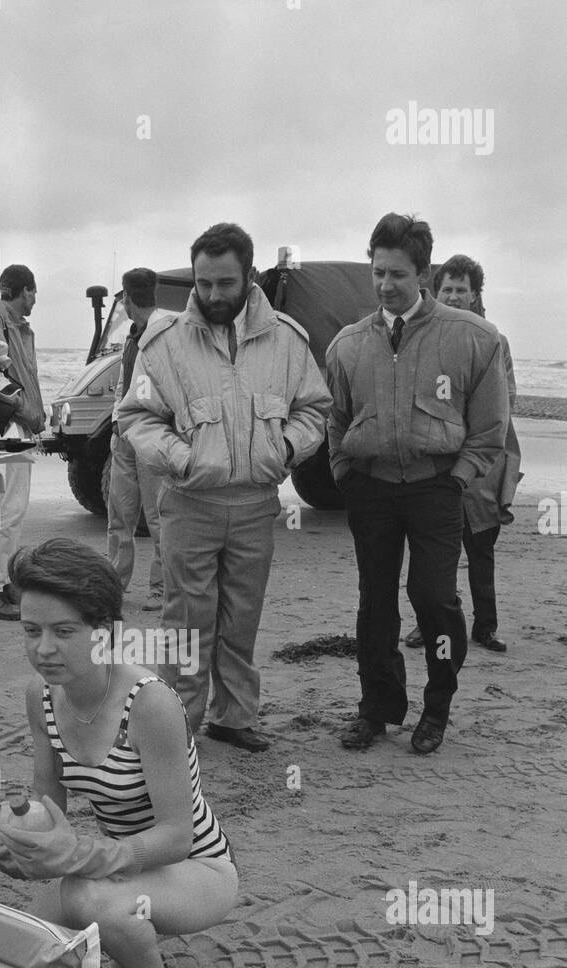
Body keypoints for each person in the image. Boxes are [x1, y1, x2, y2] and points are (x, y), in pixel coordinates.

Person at [0, 538, 238, 968]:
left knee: (88, 899)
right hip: (125, 862)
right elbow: (46, 793)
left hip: (197, 868)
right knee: (25, 950)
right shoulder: (41, 696)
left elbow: (176, 835)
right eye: (31, 631)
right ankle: (124, 944)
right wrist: (23, 841)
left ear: (106, 632)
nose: (44, 649)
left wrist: (79, 857)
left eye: (64, 631)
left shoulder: (150, 703)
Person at [117, 222, 331, 752]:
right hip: (188, 504)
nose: (213, 294)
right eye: (203, 282)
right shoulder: (162, 342)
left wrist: (283, 450)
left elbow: (315, 409)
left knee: (242, 615)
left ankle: (234, 717)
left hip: (257, 505)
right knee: (186, 622)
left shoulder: (287, 339)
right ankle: (178, 726)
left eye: (225, 283)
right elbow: (137, 417)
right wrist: (183, 460)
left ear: (250, 276)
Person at [325, 214, 509, 755]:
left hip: (437, 488)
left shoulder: (473, 337)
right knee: (374, 603)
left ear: (423, 273)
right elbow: (335, 418)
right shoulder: (347, 345)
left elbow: (490, 426)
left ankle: (436, 708)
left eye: (398, 274)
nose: (385, 284)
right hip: (372, 491)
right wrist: (343, 474)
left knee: (434, 600)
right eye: (377, 271)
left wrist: (457, 479)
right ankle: (377, 710)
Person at [405, 254, 521, 654]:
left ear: (475, 296)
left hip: (482, 468)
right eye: (447, 289)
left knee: (481, 550)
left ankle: (485, 627)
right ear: (435, 291)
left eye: (462, 290)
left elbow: (506, 400)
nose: (454, 296)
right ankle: (428, 625)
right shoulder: (421, 337)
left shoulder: (493, 340)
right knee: (435, 552)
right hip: (436, 464)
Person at [0, 264, 46, 620]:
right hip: (6, 429)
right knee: (5, 509)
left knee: (7, 509)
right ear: (24, 291)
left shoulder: (13, 326)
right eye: (33, 292)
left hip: (12, 429)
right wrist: (21, 406)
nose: (35, 300)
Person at [106, 268, 170, 611]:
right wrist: (117, 423)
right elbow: (123, 383)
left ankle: (161, 590)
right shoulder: (133, 336)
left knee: (158, 516)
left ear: (128, 299)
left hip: (151, 435)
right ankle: (114, 587)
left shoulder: (166, 333)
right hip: (125, 437)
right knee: (120, 515)